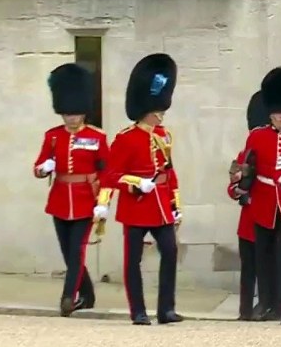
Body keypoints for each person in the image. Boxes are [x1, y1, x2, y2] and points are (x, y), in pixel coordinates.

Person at [98, 53, 182, 325]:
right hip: (135, 207)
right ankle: (138, 310)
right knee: (132, 261)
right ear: (150, 110)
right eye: (159, 110)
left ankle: (166, 309)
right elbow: (111, 175)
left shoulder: (164, 135)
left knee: (170, 253)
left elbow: (169, 172)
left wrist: (175, 205)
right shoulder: (125, 138)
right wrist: (137, 182)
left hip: (160, 207)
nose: (162, 114)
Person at [34, 63, 109, 317]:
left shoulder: (97, 137)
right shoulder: (53, 136)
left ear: (83, 112)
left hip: (86, 200)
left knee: (77, 250)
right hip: (59, 200)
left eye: (75, 113)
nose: (72, 117)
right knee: (69, 253)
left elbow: (106, 172)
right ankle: (88, 294)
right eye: (67, 113)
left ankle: (68, 297)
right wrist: (45, 167)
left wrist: (103, 201)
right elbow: (38, 168)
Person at [242, 67, 281, 324]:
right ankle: (266, 302)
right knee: (263, 257)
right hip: (264, 202)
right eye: (278, 113)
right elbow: (247, 165)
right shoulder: (257, 135)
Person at [229, 91, 265, 321]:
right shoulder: (244, 155)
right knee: (248, 271)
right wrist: (239, 186)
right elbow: (232, 189)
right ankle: (244, 310)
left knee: (267, 269)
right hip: (248, 220)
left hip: (268, 218)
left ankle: (266, 304)